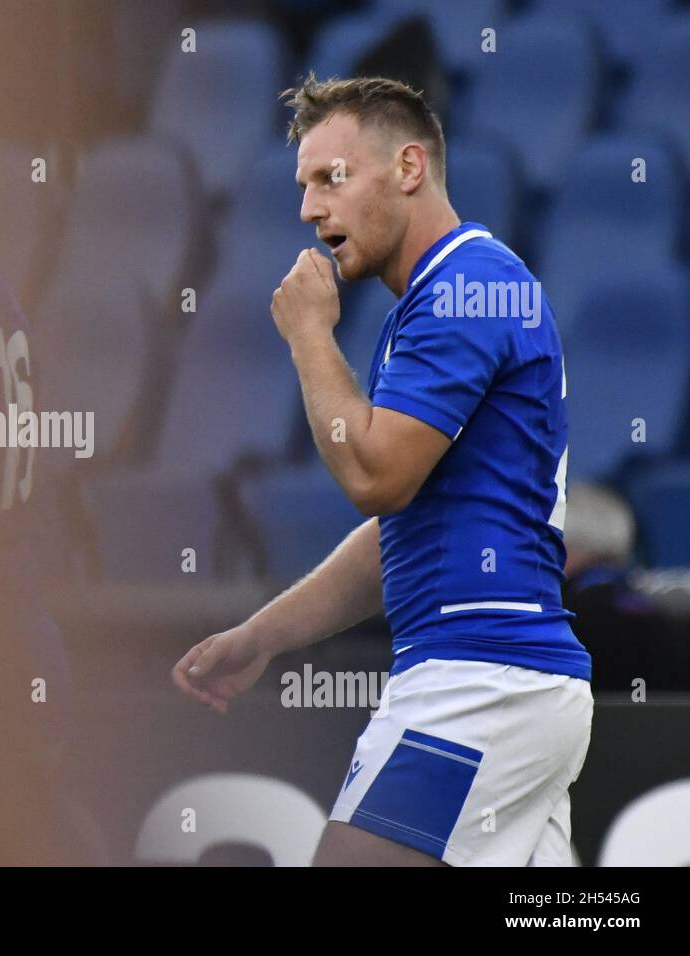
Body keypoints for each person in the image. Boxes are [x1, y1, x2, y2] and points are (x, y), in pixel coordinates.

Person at [173, 74, 592, 866]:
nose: (308, 208)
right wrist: (265, 634)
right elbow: (402, 528)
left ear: (408, 169)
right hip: (508, 679)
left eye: (331, 177)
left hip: (478, 680)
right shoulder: (444, 296)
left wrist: (308, 335)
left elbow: (376, 479)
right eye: (302, 185)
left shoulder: (465, 290)